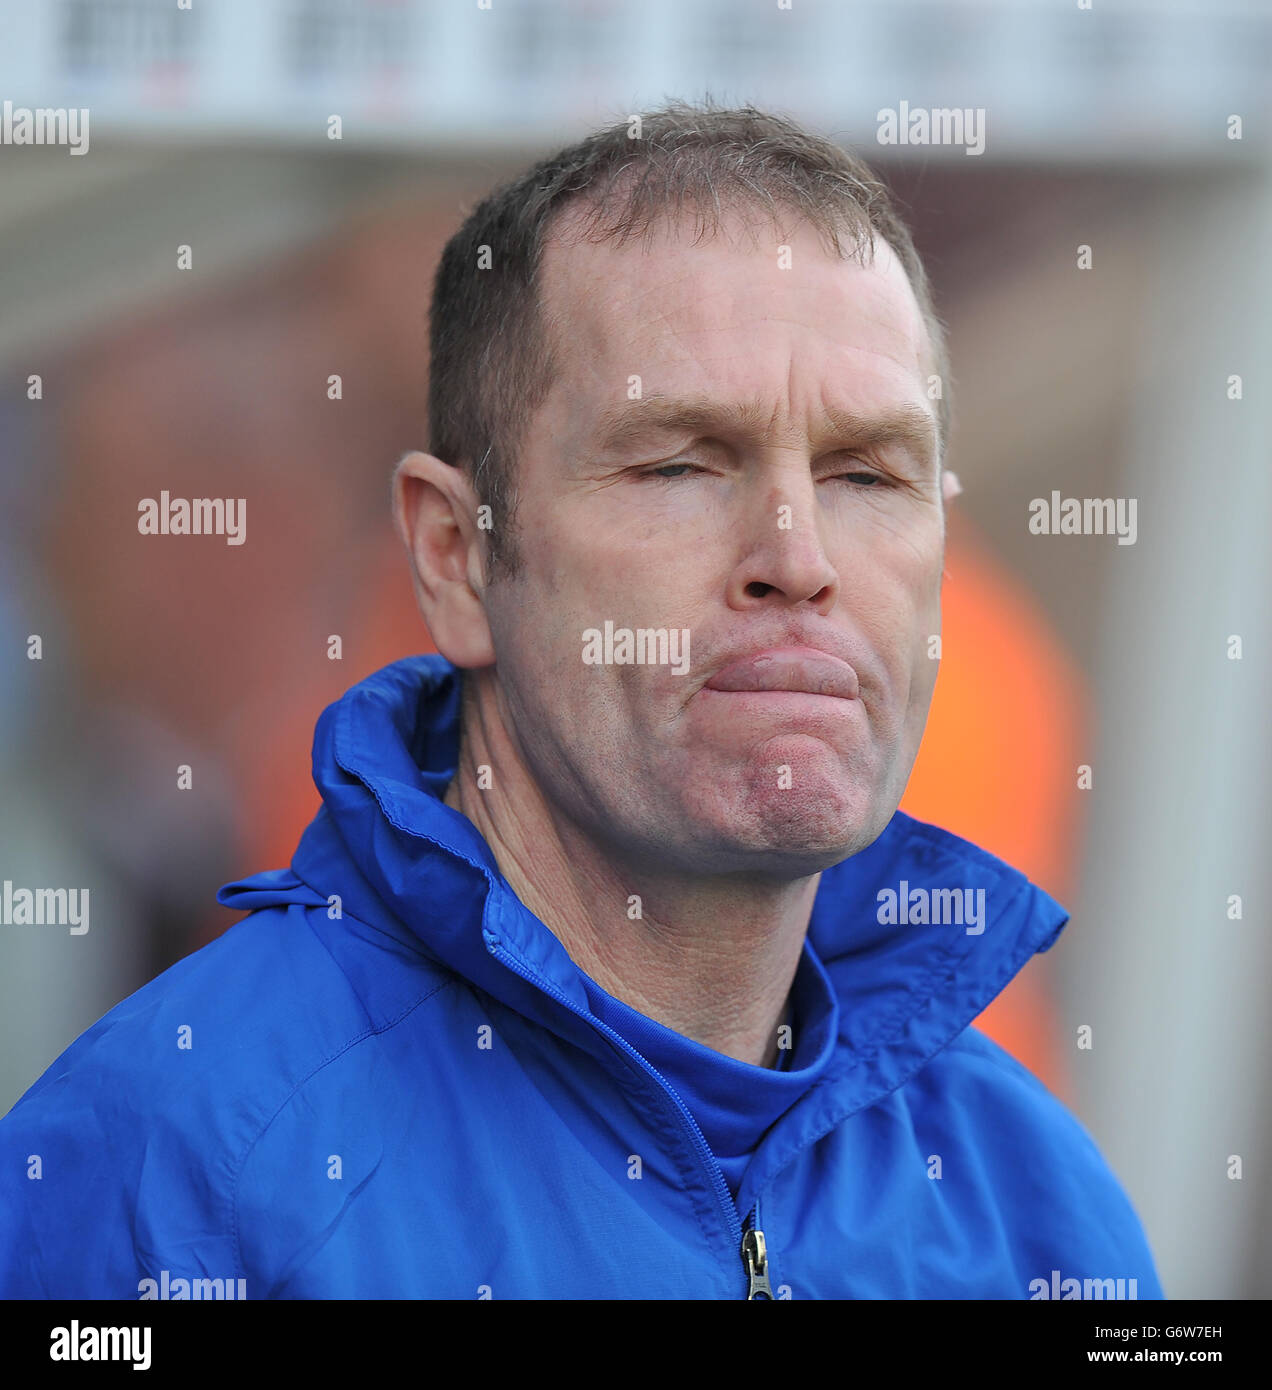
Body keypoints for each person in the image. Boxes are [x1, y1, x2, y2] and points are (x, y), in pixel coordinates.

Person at [0, 102, 1161, 1299]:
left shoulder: (1043, 1212)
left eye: (870, 471)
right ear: (456, 557)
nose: (798, 552)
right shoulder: (175, 1172)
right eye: (679, 463)